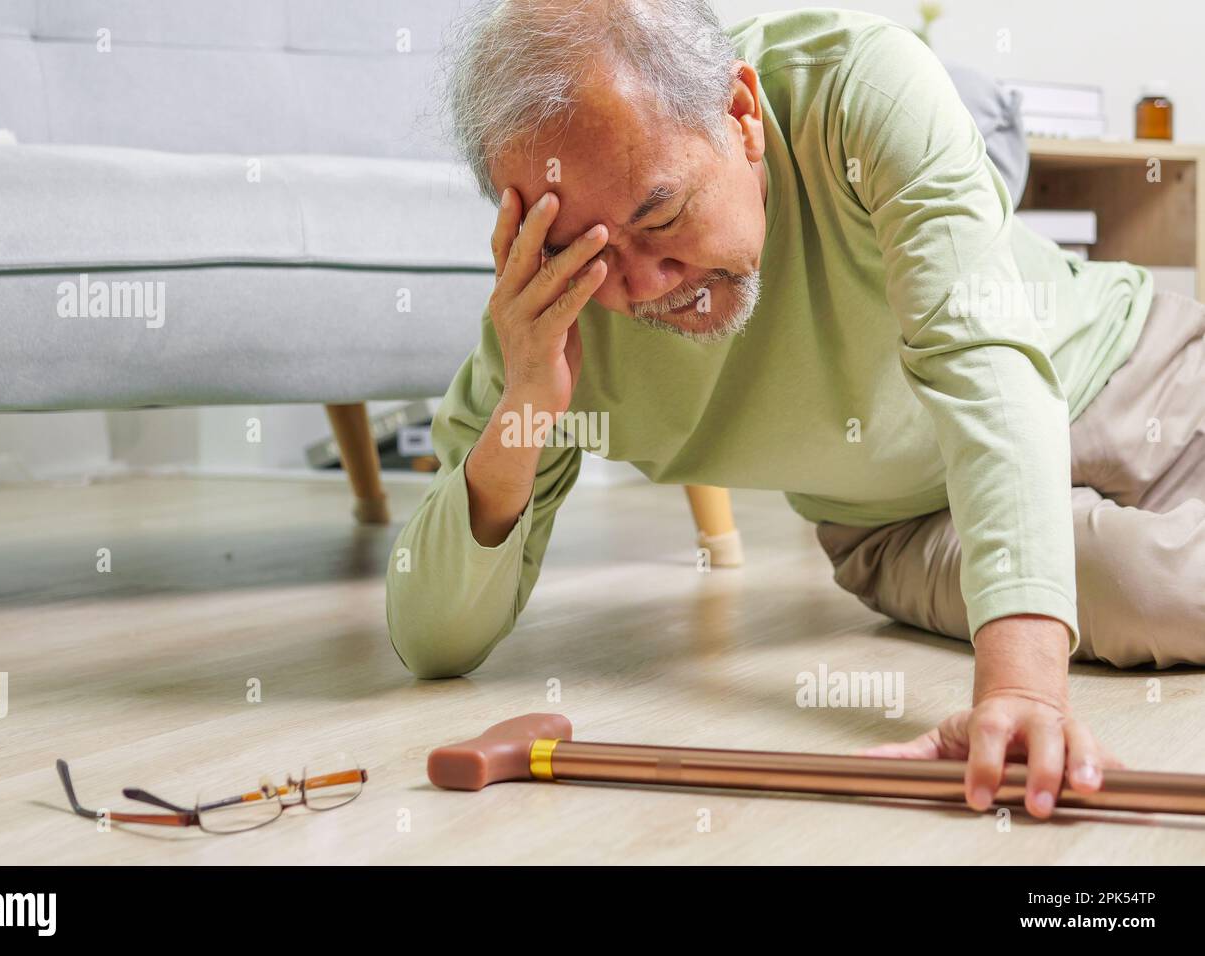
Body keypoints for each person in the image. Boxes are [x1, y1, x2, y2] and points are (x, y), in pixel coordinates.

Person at [386, 1, 1205, 819]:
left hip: (1136, 370)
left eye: (662, 215)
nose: (645, 285)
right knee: (1158, 592)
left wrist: (1025, 687)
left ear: (741, 114)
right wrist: (528, 403)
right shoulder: (550, 322)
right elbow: (433, 637)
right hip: (906, 526)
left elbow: (983, 364)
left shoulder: (858, 89)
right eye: (588, 252)